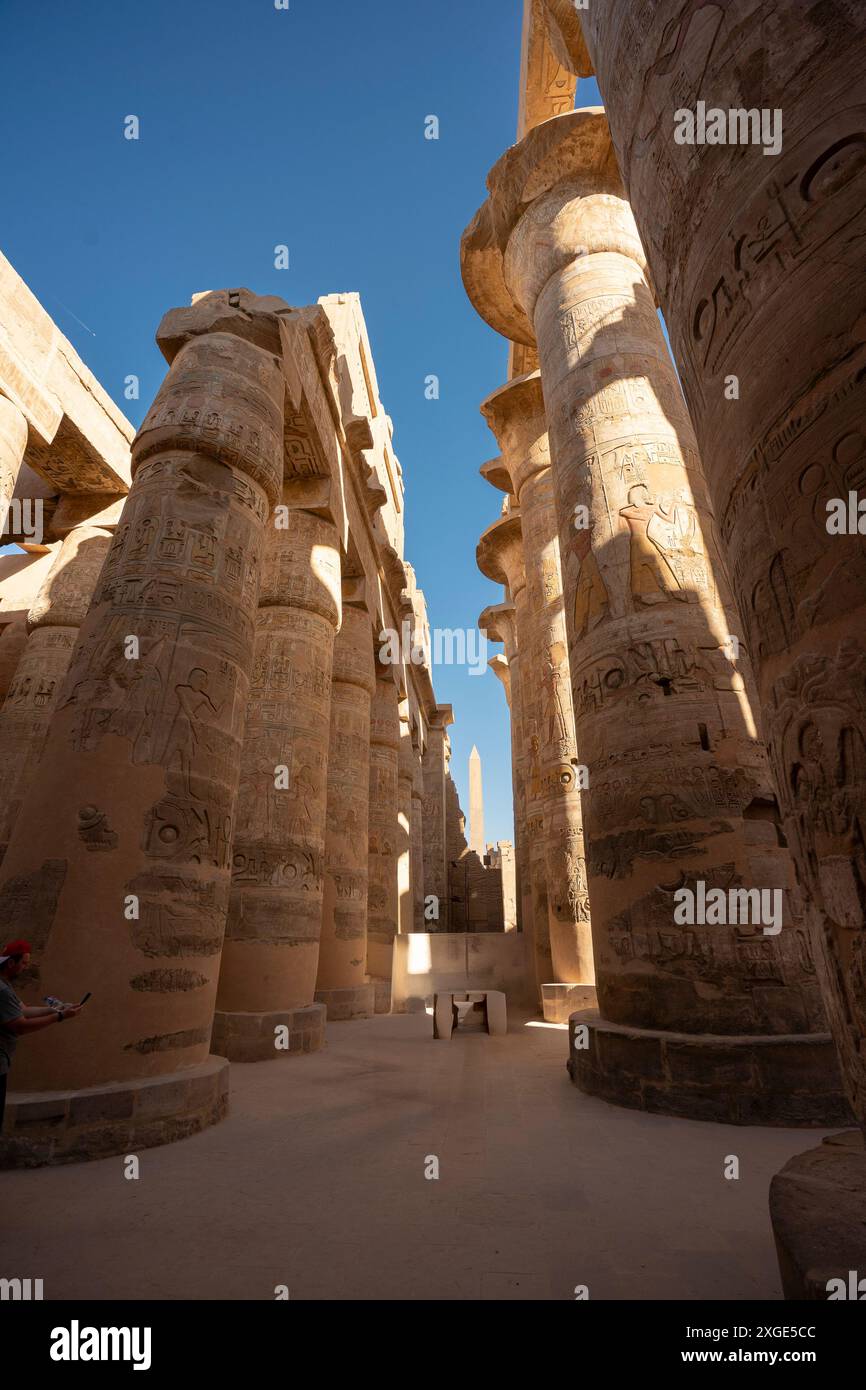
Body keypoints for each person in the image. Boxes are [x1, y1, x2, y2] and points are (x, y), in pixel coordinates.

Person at [0, 939, 82, 1132]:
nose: (26, 968)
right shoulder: (2, 990)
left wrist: (57, 1009)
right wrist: (59, 1017)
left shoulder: (5, 985)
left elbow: (24, 1010)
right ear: (11, 962)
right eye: (24, 963)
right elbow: (19, 1025)